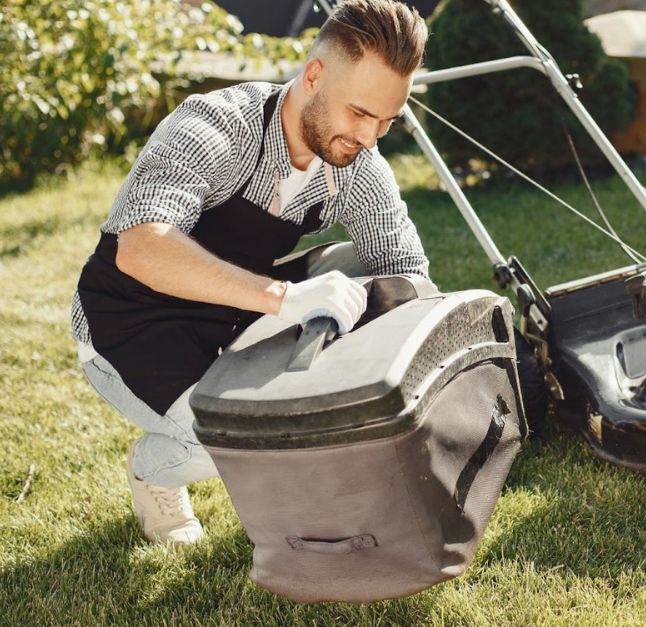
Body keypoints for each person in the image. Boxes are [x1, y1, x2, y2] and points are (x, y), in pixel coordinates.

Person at [71, 0, 430, 545]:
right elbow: (140, 247)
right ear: (313, 76)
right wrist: (286, 297)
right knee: (236, 443)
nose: (371, 137)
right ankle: (152, 468)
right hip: (128, 327)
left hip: (235, 314)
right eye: (359, 113)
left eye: (387, 120)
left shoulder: (358, 165)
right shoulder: (214, 125)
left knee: (385, 283)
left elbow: (409, 275)